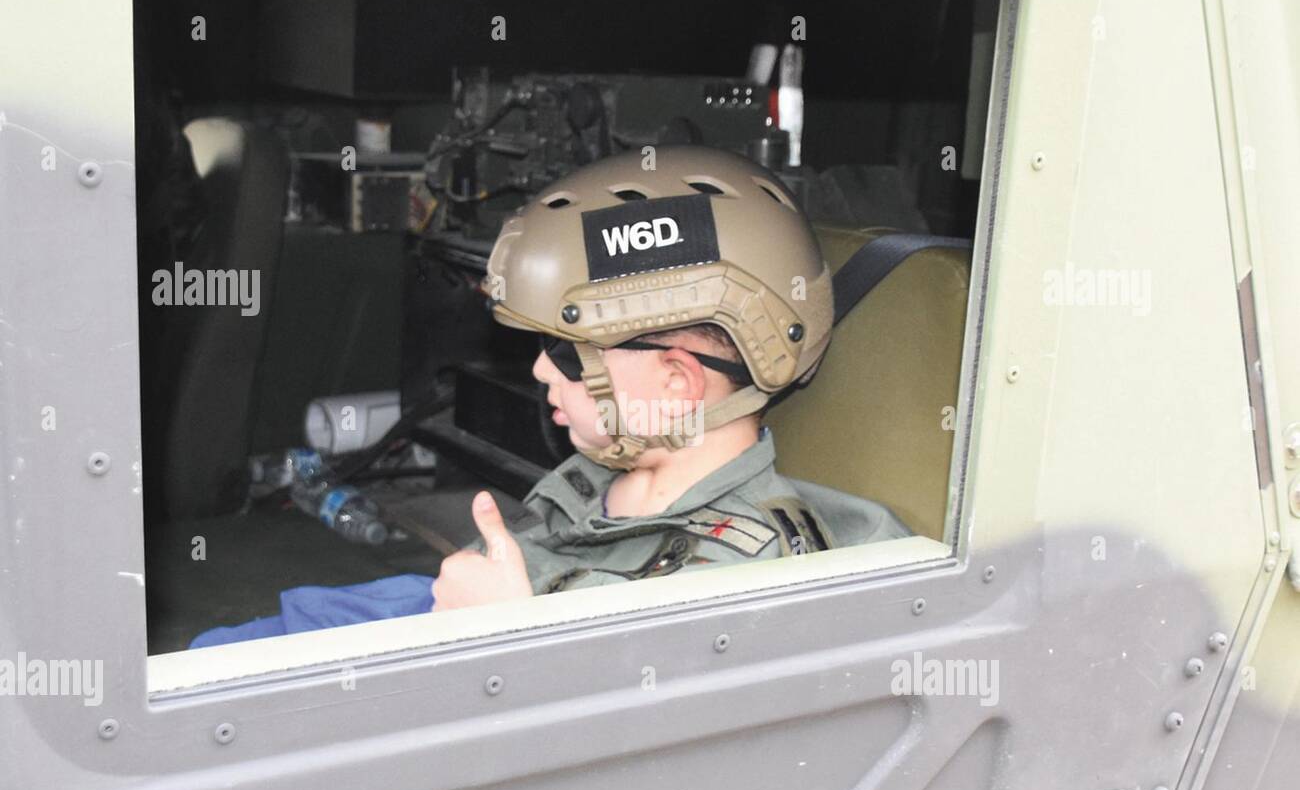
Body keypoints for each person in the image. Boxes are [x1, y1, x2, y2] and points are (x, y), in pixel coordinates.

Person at [189, 146, 909, 648]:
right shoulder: (612, 479)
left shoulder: (746, 588)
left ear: (676, 383)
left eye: (567, 352)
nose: (539, 371)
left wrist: (510, 642)